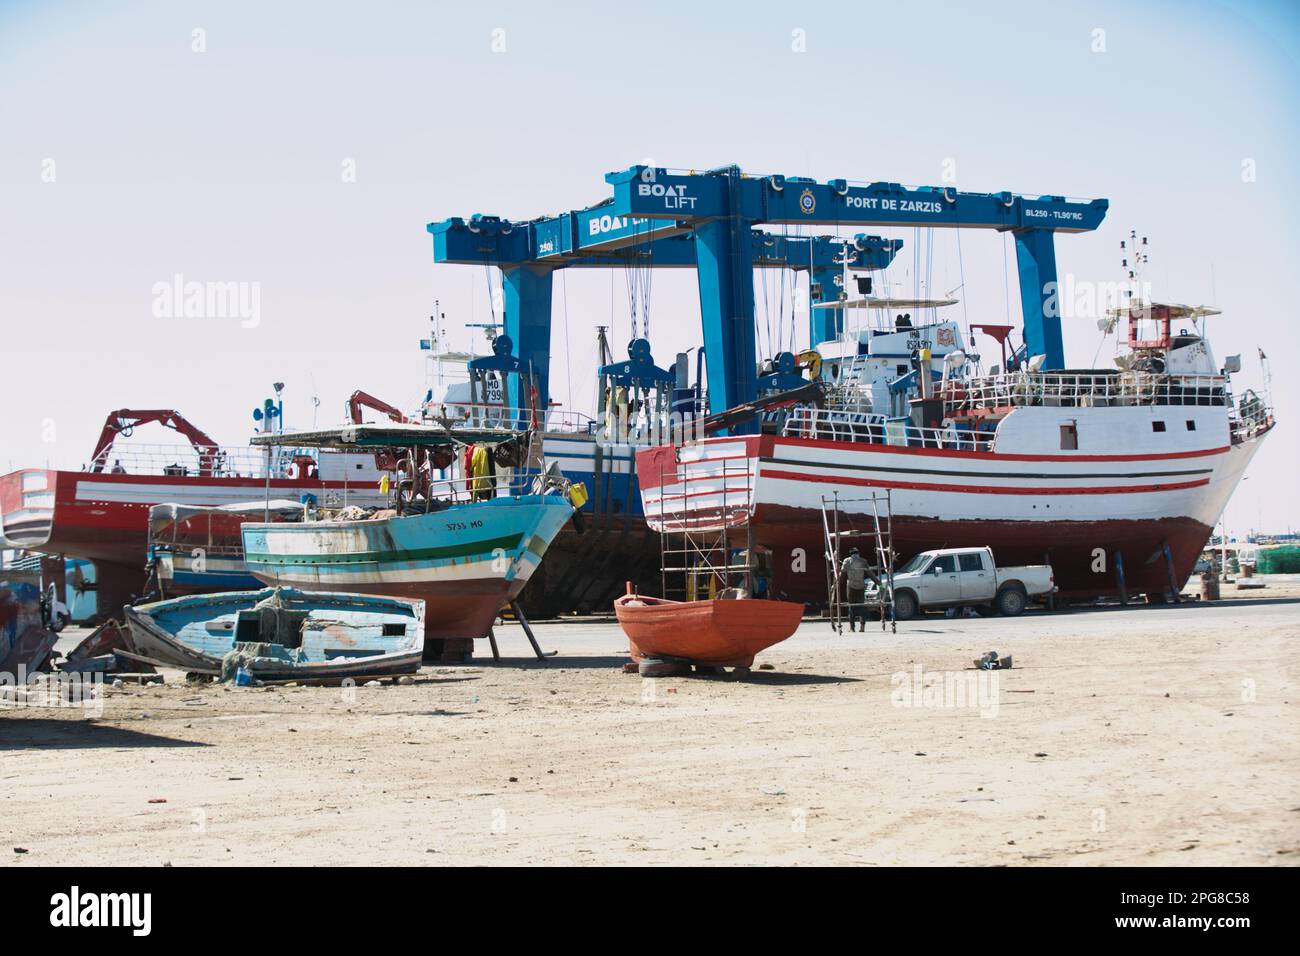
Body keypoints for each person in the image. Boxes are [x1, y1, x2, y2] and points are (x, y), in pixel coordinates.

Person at [839, 547, 871, 631]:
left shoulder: (847, 560)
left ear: (850, 554)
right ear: (858, 553)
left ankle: (852, 628)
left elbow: (842, 573)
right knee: (861, 606)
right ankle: (862, 627)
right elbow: (870, 573)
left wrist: (839, 582)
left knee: (851, 606)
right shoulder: (863, 561)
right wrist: (879, 583)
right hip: (861, 586)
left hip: (851, 586)